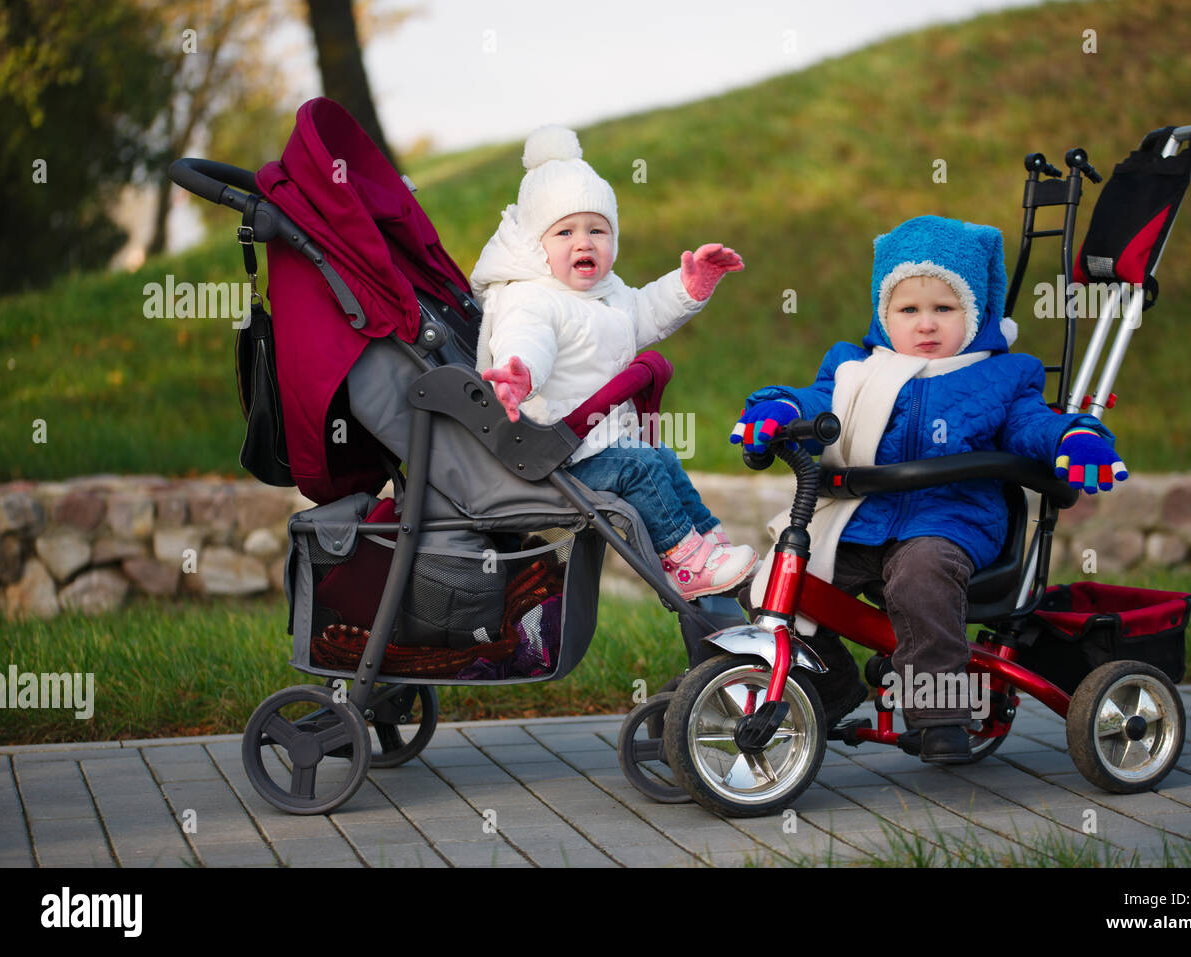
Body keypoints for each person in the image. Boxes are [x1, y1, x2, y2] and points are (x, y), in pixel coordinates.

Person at [732, 215, 1126, 759]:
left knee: (921, 576)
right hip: (863, 520)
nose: (925, 325)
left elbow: (1031, 425)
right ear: (883, 314)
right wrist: (780, 410)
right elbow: (819, 398)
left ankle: (940, 709)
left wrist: (1073, 437)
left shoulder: (1002, 376)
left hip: (953, 518)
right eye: (908, 310)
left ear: (975, 314)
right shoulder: (856, 367)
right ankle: (826, 684)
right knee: (784, 577)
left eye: (944, 309)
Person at [472, 124, 757, 600]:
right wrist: (521, 372)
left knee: (660, 457)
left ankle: (707, 542)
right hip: (553, 455)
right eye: (565, 232)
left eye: (597, 230)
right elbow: (527, 339)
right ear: (536, 246)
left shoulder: (608, 295)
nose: (584, 243)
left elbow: (643, 313)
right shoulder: (531, 298)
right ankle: (685, 563)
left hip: (595, 444)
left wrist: (689, 288)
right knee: (639, 468)